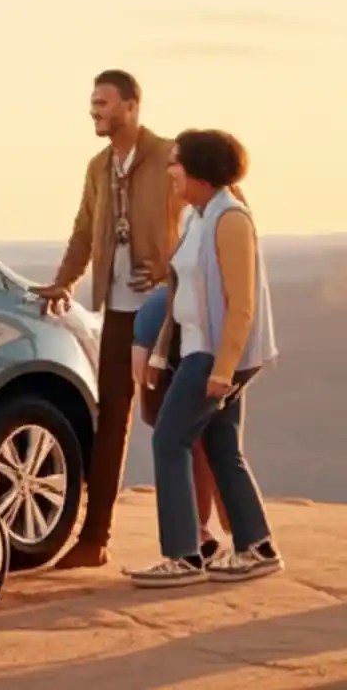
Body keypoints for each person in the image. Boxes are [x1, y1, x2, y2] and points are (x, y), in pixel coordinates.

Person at [30, 70, 184, 569]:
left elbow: (201, 223)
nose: (94, 110)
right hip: (116, 311)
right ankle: (94, 539)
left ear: (132, 106)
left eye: (103, 102)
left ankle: (203, 535)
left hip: (164, 308)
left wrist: (167, 269)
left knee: (173, 420)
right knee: (110, 418)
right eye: (92, 103)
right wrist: (65, 280)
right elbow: (82, 231)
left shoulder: (170, 157)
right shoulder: (98, 166)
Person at [126, 129, 281, 588]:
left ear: (200, 171)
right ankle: (258, 547)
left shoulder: (230, 219)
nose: (170, 170)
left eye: (176, 163)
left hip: (216, 354)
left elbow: (242, 305)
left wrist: (222, 369)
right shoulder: (198, 217)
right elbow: (177, 294)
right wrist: (156, 351)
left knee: (169, 441)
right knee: (221, 448)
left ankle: (183, 556)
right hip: (200, 350)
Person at [132, 284, 230, 563]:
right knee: (205, 445)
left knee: (190, 444)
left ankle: (201, 536)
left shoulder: (161, 303)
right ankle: (210, 533)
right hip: (199, 354)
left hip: (192, 359)